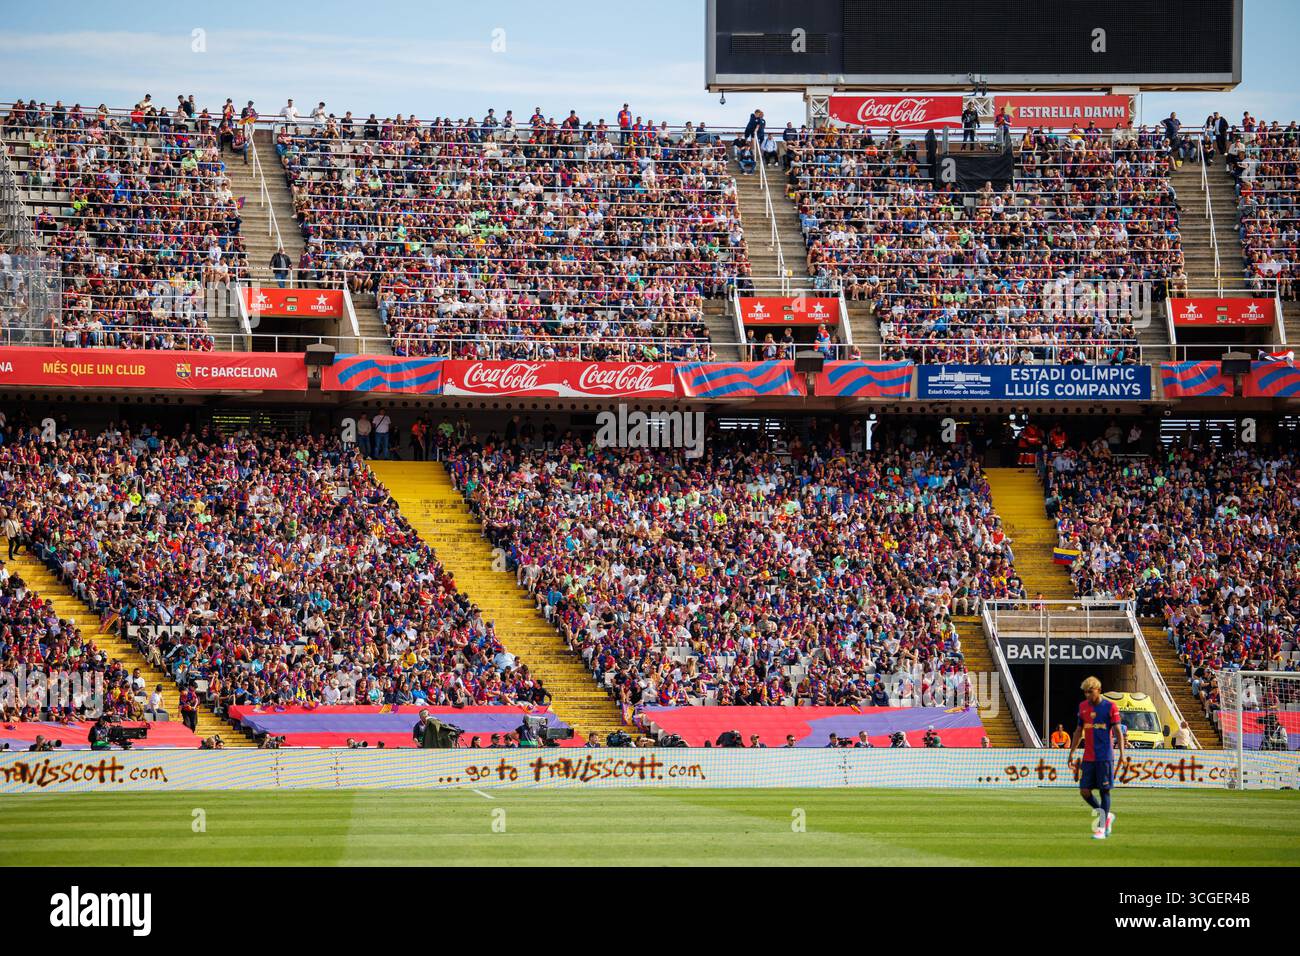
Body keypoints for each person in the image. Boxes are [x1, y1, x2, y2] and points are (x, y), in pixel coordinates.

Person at [1068, 676, 1124, 840]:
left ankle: (1101, 828)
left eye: (1090, 692)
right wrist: (1072, 752)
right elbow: (1078, 731)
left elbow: (1118, 732)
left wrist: (1122, 753)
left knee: (1104, 791)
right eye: (1085, 692)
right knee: (1084, 791)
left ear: (1098, 690)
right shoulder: (1083, 707)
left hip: (1105, 756)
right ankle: (1106, 816)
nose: (1087, 695)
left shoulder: (1110, 707)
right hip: (1089, 756)